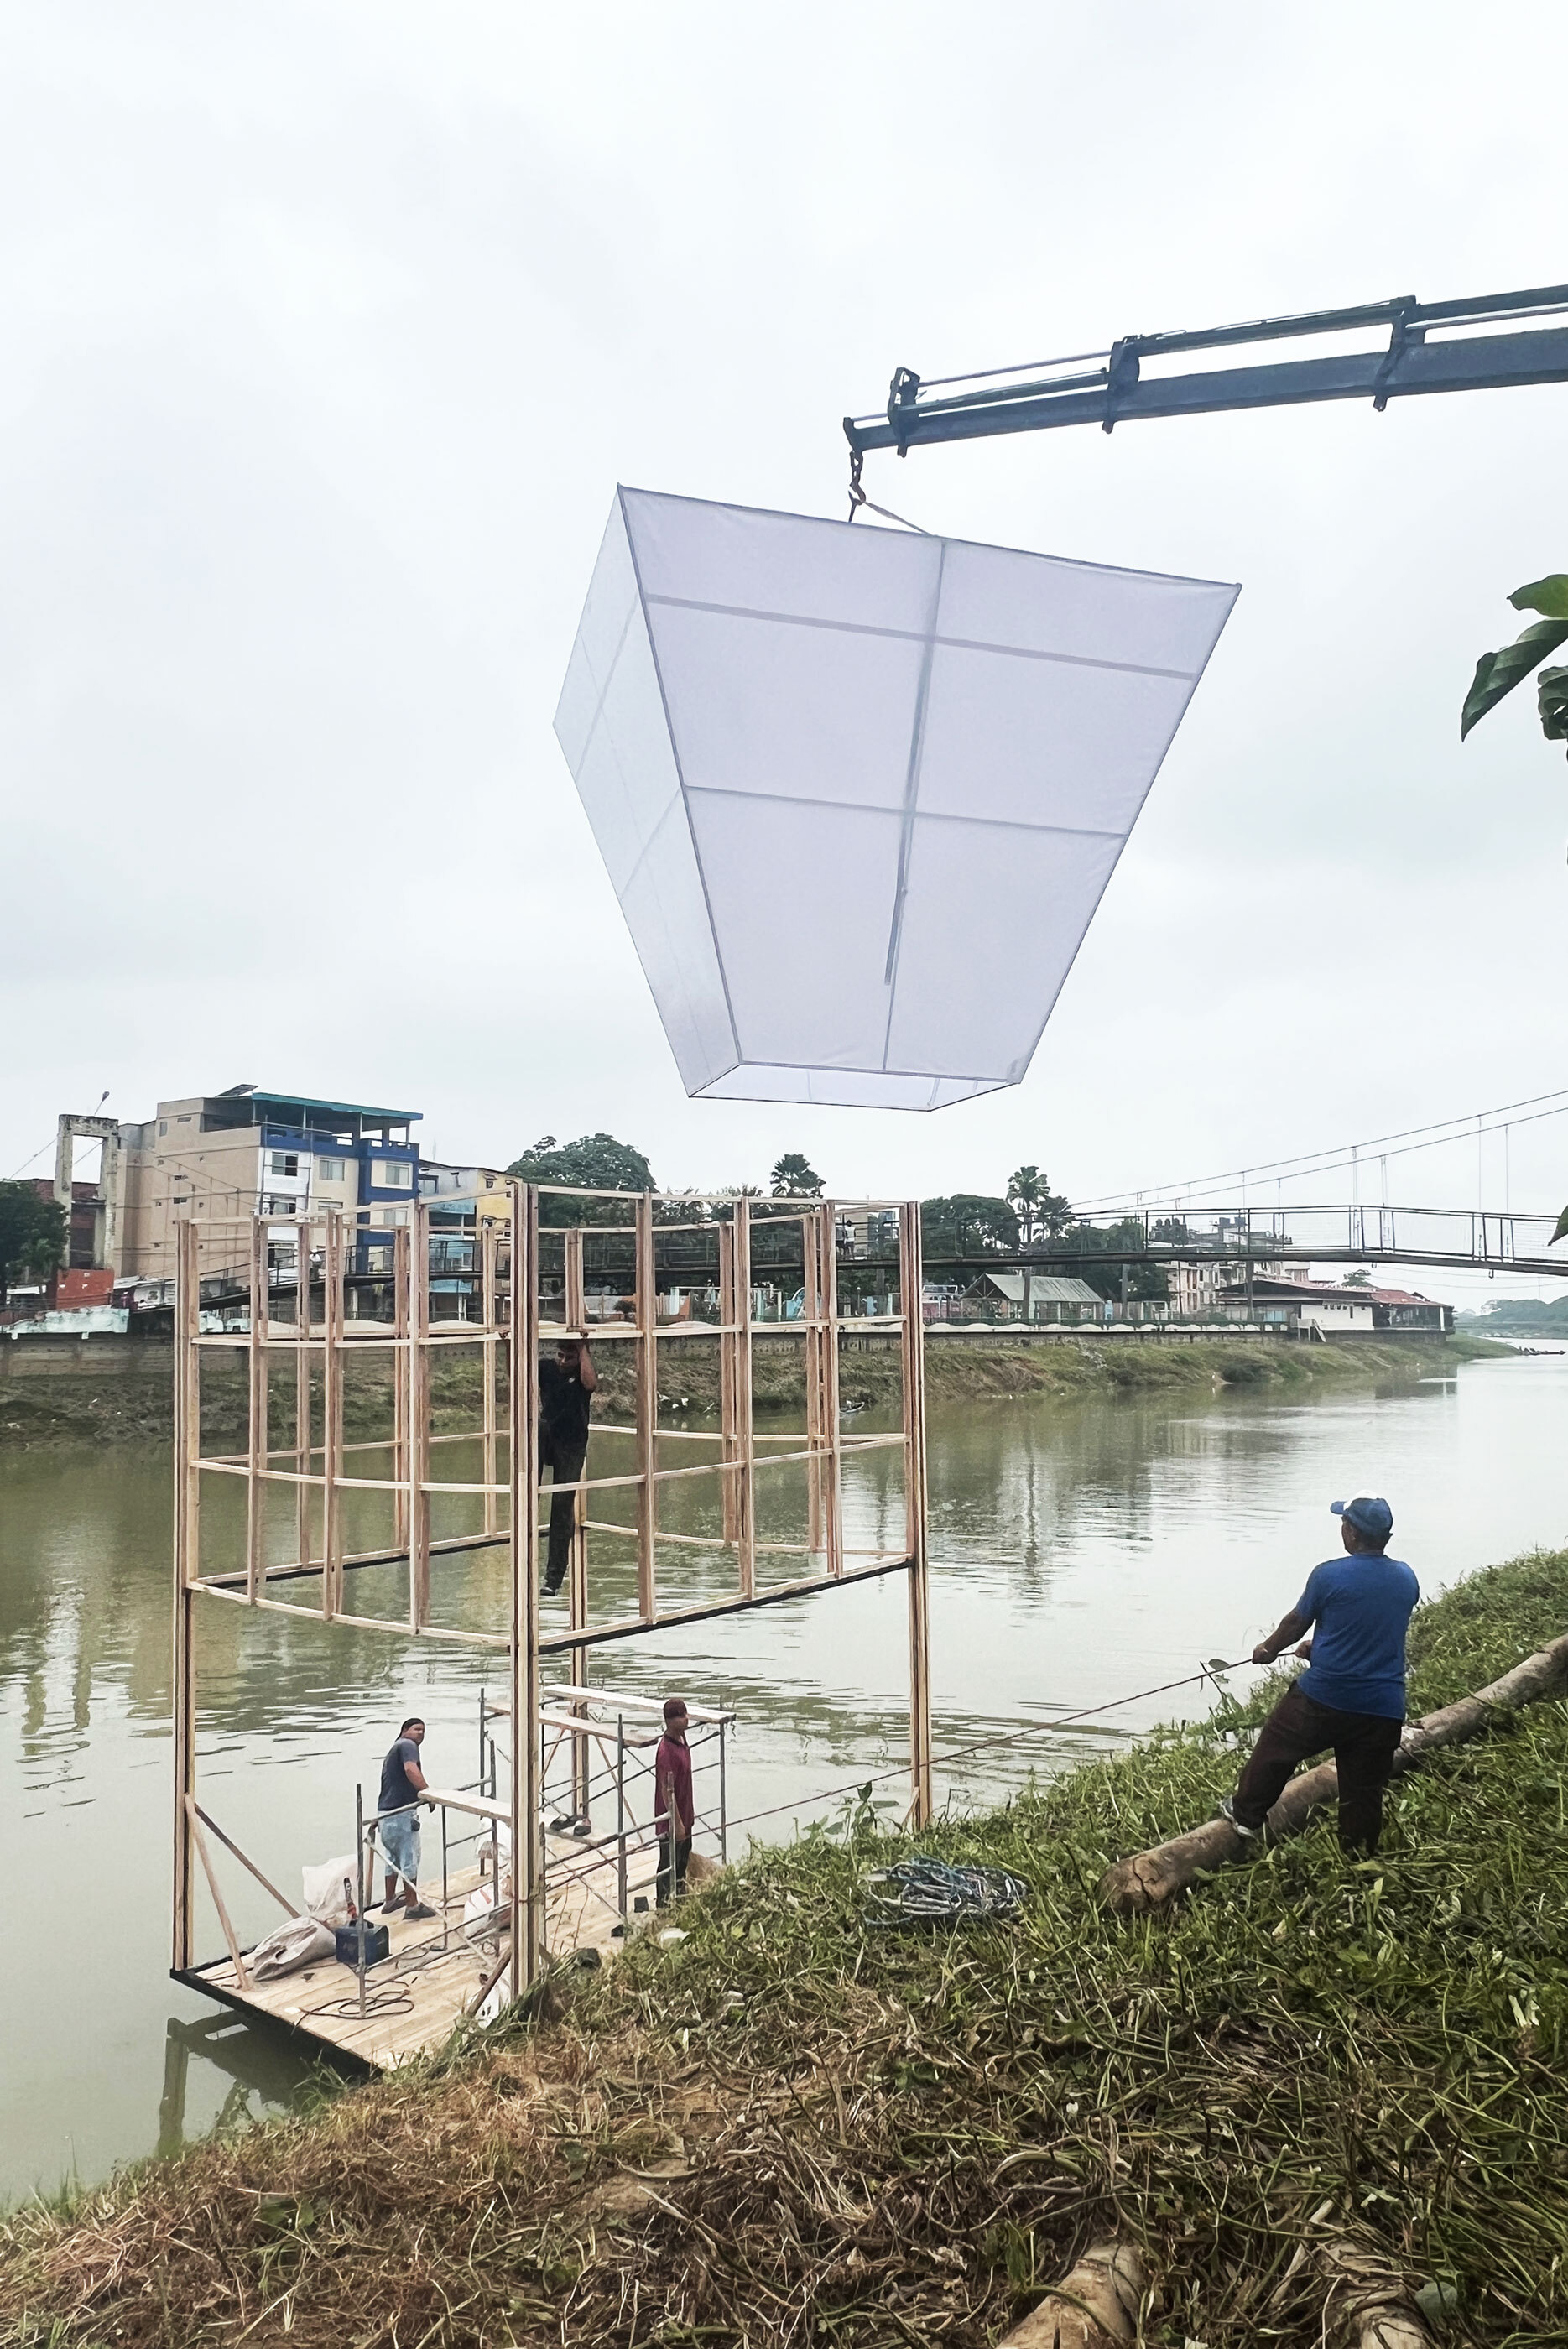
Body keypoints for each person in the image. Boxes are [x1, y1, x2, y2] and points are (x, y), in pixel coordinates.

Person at [1219, 1497, 1419, 1857]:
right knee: (1364, 1790)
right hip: (1383, 1708)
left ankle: (1246, 1815)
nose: (1342, 1528)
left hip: (1326, 1698)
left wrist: (1266, 1649)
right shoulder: (1406, 1579)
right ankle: (1358, 1855)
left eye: (1344, 1523)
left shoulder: (1328, 1574)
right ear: (1386, 1538)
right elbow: (1370, 1626)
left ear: (1353, 1533)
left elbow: (1296, 1623)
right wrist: (1320, 1647)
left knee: (1276, 1747)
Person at [539, 1336, 597, 1596]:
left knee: (562, 1507)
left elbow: (591, 1383)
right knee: (528, 1497)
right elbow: (516, 1372)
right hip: (547, 1438)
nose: (563, 1362)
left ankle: (554, 1577)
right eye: (560, 1356)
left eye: (568, 1358)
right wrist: (508, 1343)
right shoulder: (547, 1369)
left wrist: (583, 1347)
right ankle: (525, 1559)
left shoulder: (582, 1375)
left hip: (571, 1443)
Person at [378, 1716, 438, 1919]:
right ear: (405, 1730)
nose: (420, 1734)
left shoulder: (394, 1748)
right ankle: (412, 1906)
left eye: (423, 1731)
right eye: (416, 1729)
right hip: (402, 1814)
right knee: (409, 1858)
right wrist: (427, 1793)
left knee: (392, 1858)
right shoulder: (407, 1745)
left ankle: (389, 1901)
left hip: (386, 1815)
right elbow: (411, 1769)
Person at [654, 1696, 695, 1909]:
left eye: (686, 1714)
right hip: (672, 1820)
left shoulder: (682, 1740)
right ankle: (663, 1905)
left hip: (686, 1813)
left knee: (682, 1861)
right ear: (670, 1721)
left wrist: (686, 1820)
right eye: (681, 1716)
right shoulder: (666, 1752)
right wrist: (676, 1823)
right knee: (668, 1863)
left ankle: (679, 1899)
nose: (686, 1719)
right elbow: (666, 1790)